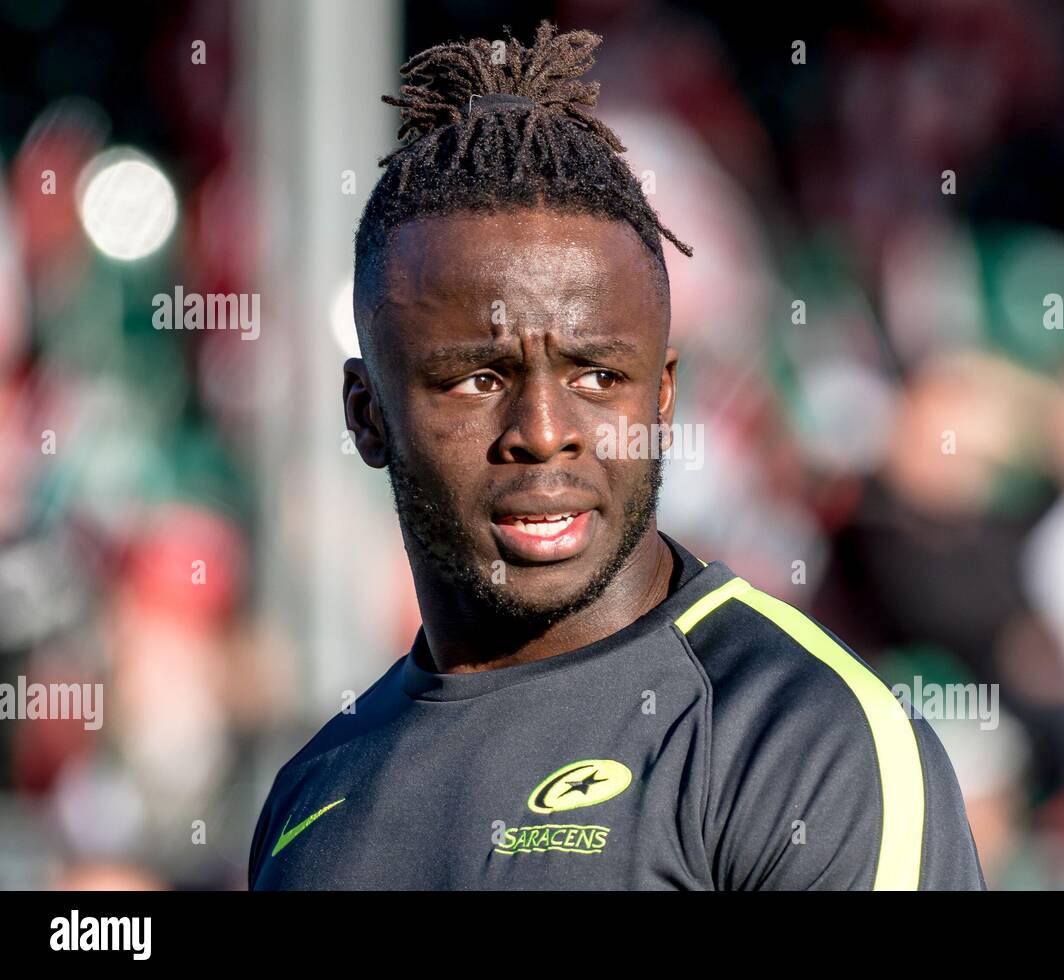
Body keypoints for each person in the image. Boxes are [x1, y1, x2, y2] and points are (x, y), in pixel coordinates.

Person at [248, 21, 985, 890]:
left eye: (598, 376)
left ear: (662, 398)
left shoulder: (801, 743)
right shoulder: (313, 794)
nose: (543, 431)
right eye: (478, 379)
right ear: (367, 415)